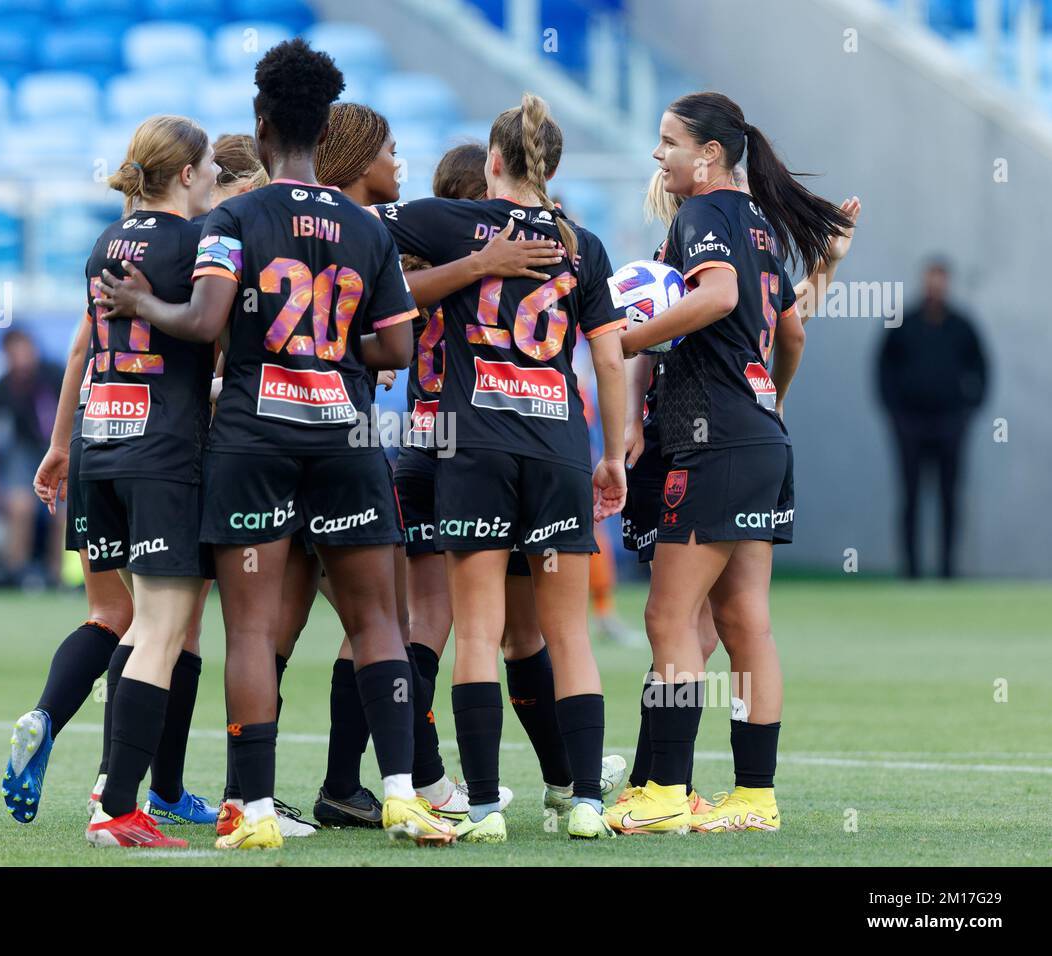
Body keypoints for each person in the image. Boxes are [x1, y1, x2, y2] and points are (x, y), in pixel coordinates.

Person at [95, 39, 456, 850]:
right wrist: (331, 356)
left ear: (260, 128)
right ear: (325, 130)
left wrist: (143, 304)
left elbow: (204, 323)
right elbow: (398, 350)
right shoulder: (365, 227)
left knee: (252, 630)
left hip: (253, 436)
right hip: (346, 435)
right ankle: (402, 794)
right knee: (376, 623)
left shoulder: (233, 216)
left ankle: (251, 809)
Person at [378, 92, 631, 842]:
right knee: (568, 635)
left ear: (491, 162)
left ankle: (484, 806)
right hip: (558, 446)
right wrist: (612, 454)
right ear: (551, 165)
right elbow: (611, 360)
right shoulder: (582, 243)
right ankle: (585, 801)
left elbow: (354, 223)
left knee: (480, 631)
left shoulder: (449, 219)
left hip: (474, 445)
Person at [610, 92, 851, 834]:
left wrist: (623, 338)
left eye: (668, 141)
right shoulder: (760, 229)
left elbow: (715, 298)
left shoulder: (706, 215)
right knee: (747, 623)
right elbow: (794, 336)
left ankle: (666, 793)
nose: (659, 154)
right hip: (757, 439)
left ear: (708, 155)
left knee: (668, 617)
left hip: (712, 441)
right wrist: (770, 404)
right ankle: (754, 797)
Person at [57, 114, 220, 848]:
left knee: (137, 625)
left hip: (106, 439)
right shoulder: (196, 242)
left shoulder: (104, 242)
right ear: (185, 174)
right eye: (210, 164)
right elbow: (212, 328)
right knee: (161, 628)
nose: (215, 174)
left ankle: (112, 793)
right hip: (163, 447)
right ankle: (117, 808)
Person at [877, 258, 987, 579]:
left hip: (950, 425)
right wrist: (895, 413)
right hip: (910, 425)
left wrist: (968, 411)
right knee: (910, 496)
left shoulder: (962, 325)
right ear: (924, 281)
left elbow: (981, 367)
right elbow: (883, 368)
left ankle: (947, 570)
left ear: (947, 283)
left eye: (940, 280)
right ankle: (910, 571)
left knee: (949, 497)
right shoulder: (903, 322)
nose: (935, 286)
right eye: (930, 279)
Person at [0, 327, 64, 585]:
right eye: (14, 351)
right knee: (19, 506)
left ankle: (59, 577)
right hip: (23, 452)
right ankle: (16, 573)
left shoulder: (55, 374)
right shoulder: (1, 387)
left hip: (57, 448)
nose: (21, 356)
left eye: (25, 349)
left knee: (63, 511)